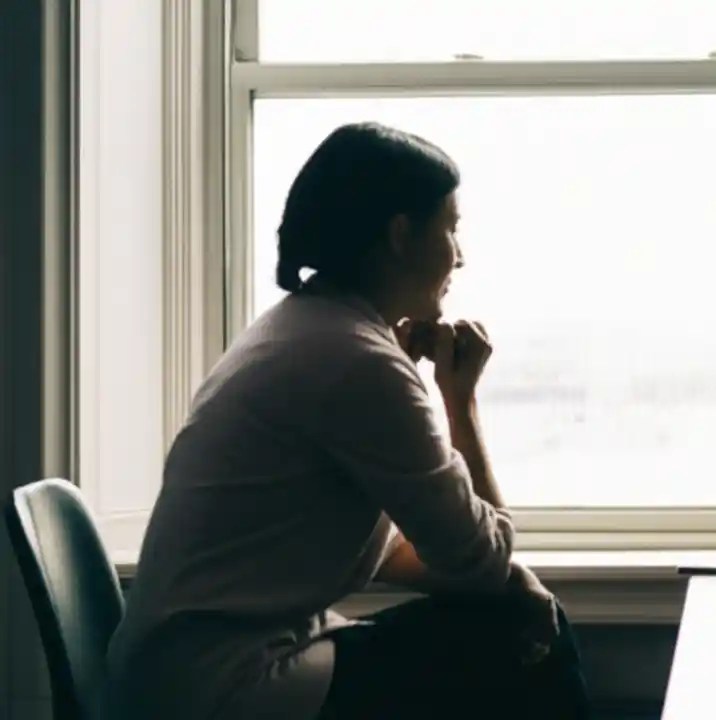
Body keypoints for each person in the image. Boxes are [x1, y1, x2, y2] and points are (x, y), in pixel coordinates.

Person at [105, 122, 591, 719]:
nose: (460, 256)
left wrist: (505, 577)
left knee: (504, 621)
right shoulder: (359, 361)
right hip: (222, 686)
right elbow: (481, 560)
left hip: (172, 674)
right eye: (451, 229)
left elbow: (393, 553)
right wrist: (458, 399)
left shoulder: (301, 327)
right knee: (520, 637)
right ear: (401, 235)